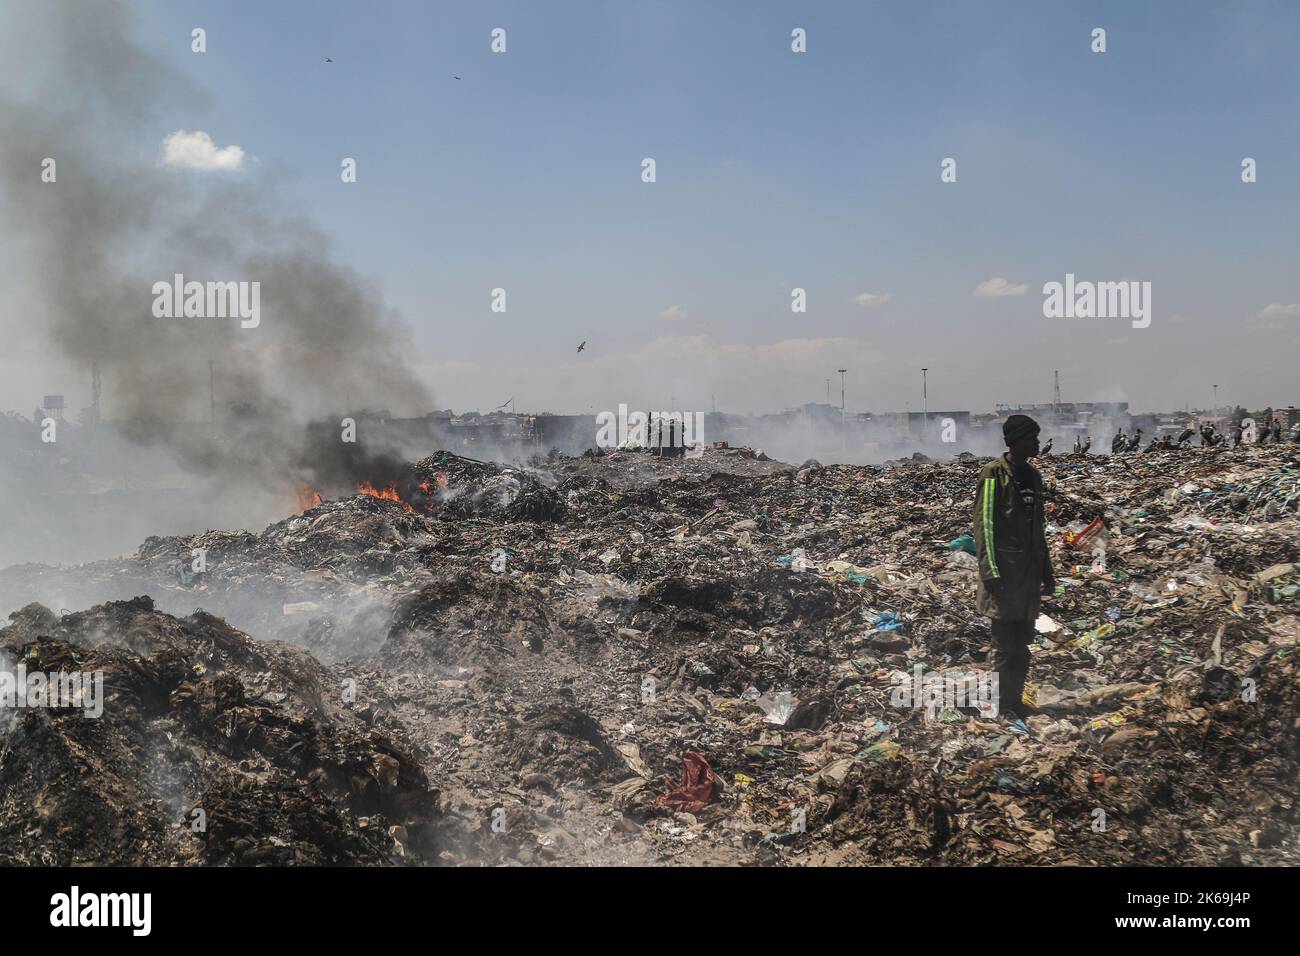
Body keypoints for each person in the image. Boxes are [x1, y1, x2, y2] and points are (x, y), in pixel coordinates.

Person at [973, 414, 1054, 722]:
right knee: (1004, 647)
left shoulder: (1033, 476)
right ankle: (999, 706)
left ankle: (1014, 701)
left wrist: (1046, 572)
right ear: (1015, 441)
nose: (1036, 443)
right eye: (1031, 438)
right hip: (1004, 576)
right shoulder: (994, 474)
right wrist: (990, 570)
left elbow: (1038, 530)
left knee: (1023, 646)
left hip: (1028, 577)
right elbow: (986, 524)